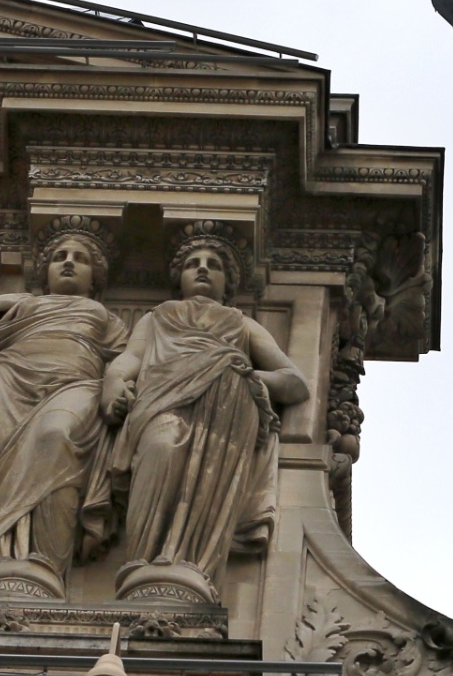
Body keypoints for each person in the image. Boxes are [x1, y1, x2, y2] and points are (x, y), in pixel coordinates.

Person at [90, 221, 307, 603]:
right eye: (193, 263)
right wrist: (112, 385)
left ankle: (190, 567)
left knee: (205, 484)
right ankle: (142, 563)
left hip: (225, 410)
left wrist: (241, 373)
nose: (203, 268)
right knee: (161, 449)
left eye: (214, 264)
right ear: (179, 278)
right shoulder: (158, 316)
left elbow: (294, 382)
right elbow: (130, 358)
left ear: (229, 283)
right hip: (161, 400)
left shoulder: (242, 324)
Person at [0, 219, 126, 598]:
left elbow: (124, 362)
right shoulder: (20, 308)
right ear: (44, 270)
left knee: (56, 436)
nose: (68, 263)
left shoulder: (103, 317)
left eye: (80, 259)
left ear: (95, 277)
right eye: (59, 257)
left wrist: (116, 391)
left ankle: (45, 562)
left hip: (76, 385)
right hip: (8, 385)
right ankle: (4, 561)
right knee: (6, 474)